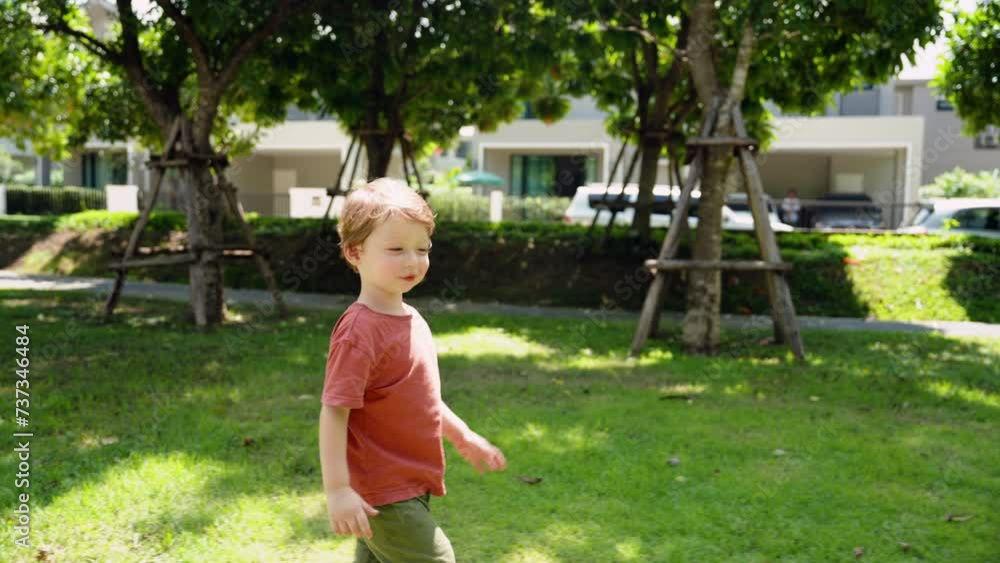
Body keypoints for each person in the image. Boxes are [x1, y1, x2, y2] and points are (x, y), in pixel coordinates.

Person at [319, 177, 507, 562]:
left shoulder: (412, 319)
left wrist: (463, 437)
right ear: (355, 252)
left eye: (422, 249)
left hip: (410, 481)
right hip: (382, 490)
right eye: (396, 249)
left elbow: (423, 399)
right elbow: (335, 411)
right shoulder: (359, 331)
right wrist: (338, 490)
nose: (413, 260)